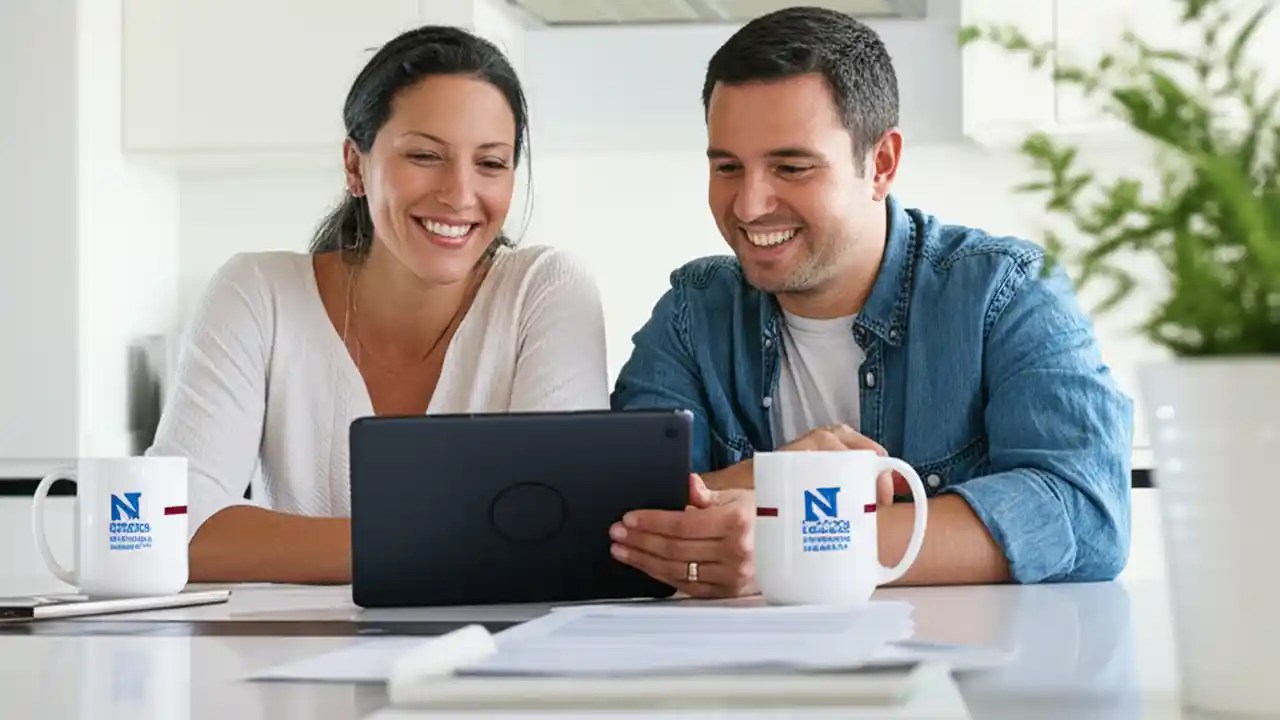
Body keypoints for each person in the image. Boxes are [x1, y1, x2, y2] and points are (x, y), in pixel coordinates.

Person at [608, 7, 1133, 595]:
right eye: (728, 167)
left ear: (880, 164)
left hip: (961, 654)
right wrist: (762, 478)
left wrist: (801, 535)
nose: (750, 205)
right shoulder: (693, 313)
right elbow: (612, 517)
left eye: (791, 167)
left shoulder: (1005, 293)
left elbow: (1084, 514)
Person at [148, 26, 609, 584]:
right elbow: (171, 527)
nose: (460, 194)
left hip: (498, 640)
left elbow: (558, 525)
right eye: (425, 155)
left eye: (490, 163)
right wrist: (451, 539)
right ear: (354, 165)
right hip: (290, 641)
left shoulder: (547, 290)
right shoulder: (256, 294)